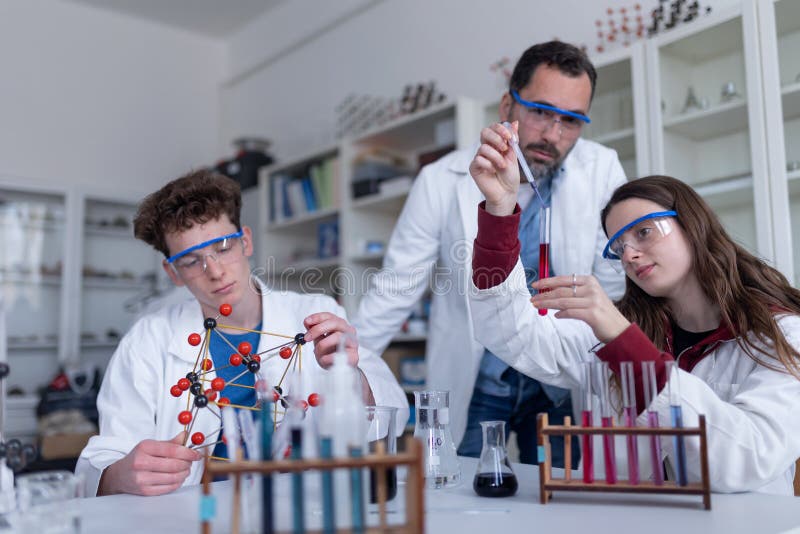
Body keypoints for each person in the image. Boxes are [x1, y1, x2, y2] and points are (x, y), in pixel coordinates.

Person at [467, 130, 800, 494]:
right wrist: (500, 209)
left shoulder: (782, 335)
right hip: (627, 519)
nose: (629, 254)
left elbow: (749, 458)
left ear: (693, 226)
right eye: (618, 246)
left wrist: (625, 342)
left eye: (644, 232)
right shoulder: (611, 331)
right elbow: (512, 332)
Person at [352, 41, 626, 465]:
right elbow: (396, 287)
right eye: (540, 112)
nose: (553, 135)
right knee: (462, 488)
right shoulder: (440, 179)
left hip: (561, 374)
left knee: (564, 492)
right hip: (479, 375)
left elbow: (614, 286)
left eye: (571, 121)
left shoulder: (602, 169)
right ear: (506, 105)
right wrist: (344, 363)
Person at [76, 170, 408, 497]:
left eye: (223, 247)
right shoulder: (148, 339)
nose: (215, 272)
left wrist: (348, 375)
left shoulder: (315, 315)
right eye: (191, 261)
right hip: (192, 515)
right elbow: (104, 459)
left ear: (245, 241)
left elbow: (391, 417)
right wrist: (117, 476)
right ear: (173, 272)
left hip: (300, 506)